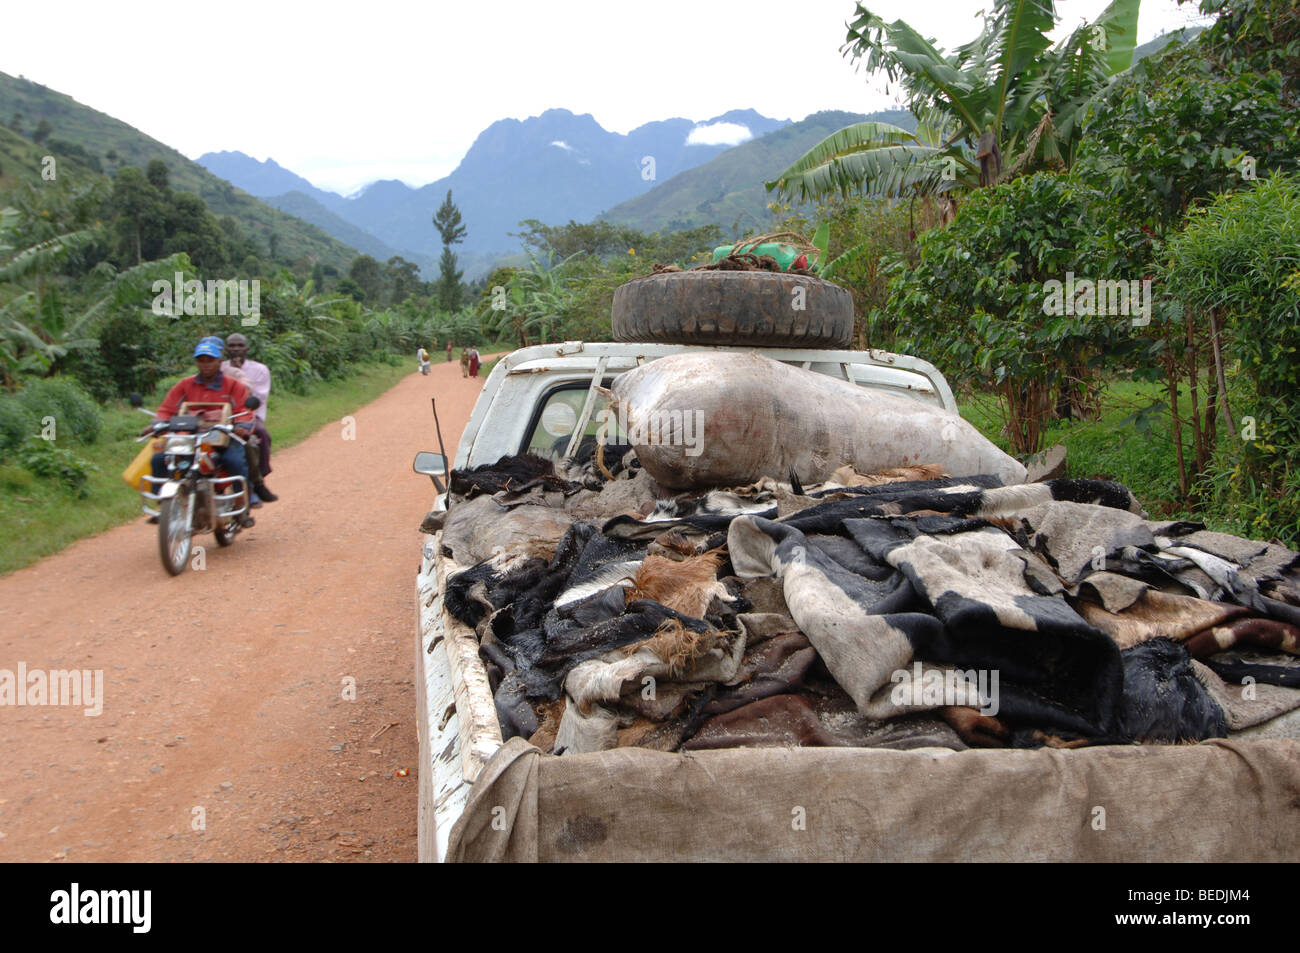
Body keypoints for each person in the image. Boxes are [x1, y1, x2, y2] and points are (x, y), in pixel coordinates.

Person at [147, 337, 260, 521]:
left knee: (235, 462)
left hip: (222, 438)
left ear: (219, 361)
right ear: (196, 362)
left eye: (211, 360)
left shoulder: (233, 385)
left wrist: (241, 426)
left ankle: (241, 505)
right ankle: (164, 504)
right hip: (189, 437)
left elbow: (243, 410)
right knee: (160, 459)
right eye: (201, 360)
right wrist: (156, 424)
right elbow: (166, 409)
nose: (206, 365)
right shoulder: (185, 385)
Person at [223, 333, 277, 504]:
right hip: (220, 417)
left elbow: (258, 398)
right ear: (226, 349)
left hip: (249, 415)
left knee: (260, 435)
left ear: (247, 349)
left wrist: (237, 374)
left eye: (240, 345)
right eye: (232, 346)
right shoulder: (219, 366)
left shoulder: (259, 369)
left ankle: (258, 480)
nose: (236, 349)